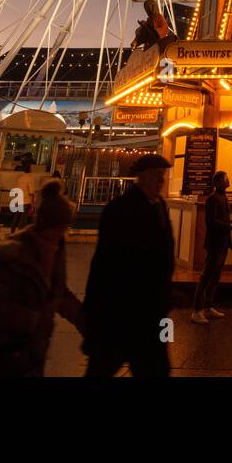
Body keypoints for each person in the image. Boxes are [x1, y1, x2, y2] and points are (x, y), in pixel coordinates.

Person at [0, 179, 83, 377]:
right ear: (49, 225)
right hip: (1, 350)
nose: (63, 234)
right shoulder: (14, 254)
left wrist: (85, 321)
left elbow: (58, 292)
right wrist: (31, 319)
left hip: (31, 349)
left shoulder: (56, 249)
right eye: (61, 228)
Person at [82, 154, 175, 377]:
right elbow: (105, 262)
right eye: (156, 176)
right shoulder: (120, 209)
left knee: (154, 368)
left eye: (162, 176)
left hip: (150, 308)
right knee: (104, 364)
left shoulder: (159, 205)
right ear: (141, 178)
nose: (161, 181)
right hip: (121, 307)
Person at [191, 171, 232, 324]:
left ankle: (208, 306)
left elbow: (221, 217)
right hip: (215, 241)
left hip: (223, 241)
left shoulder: (222, 197)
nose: (229, 182)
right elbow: (211, 222)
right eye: (226, 180)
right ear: (218, 182)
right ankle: (197, 310)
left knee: (216, 275)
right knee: (206, 275)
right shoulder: (212, 199)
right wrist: (228, 227)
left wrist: (231, 222)